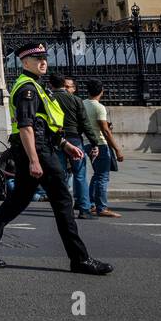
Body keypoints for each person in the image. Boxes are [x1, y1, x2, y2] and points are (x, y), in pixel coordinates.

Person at [0, 42, 112, 275]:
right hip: (37, 152)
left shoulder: (36, 87)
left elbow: (42, 126)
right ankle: (79, 259)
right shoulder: (27, 88)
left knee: (17, 200)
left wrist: (65, 144)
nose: (43, 62)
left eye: (44, 58)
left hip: (39, 148)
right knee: (63, 202)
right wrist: (35, 160)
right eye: (37, 59)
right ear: (25, 63)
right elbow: (26, 128)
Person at [54, 74, 100, 219]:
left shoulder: (51, 99)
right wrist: (94, 142)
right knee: (79, 174)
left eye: (70, 86)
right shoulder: (76, 100)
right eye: (66, 86)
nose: (67, 89)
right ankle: (84, 208)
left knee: (61, 175)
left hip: (57, 139)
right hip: (74, 138)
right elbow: (85, 124)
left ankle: (64, 207)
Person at [86, 80, 124, 218]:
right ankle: (101, 207)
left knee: (97, 175)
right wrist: (118, 149)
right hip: (100, 143)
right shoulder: (99, 107)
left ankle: (91, 204)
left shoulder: (83, 103)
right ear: (101, 91)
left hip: (87, 142)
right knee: (102, 176)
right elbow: (105, 131)